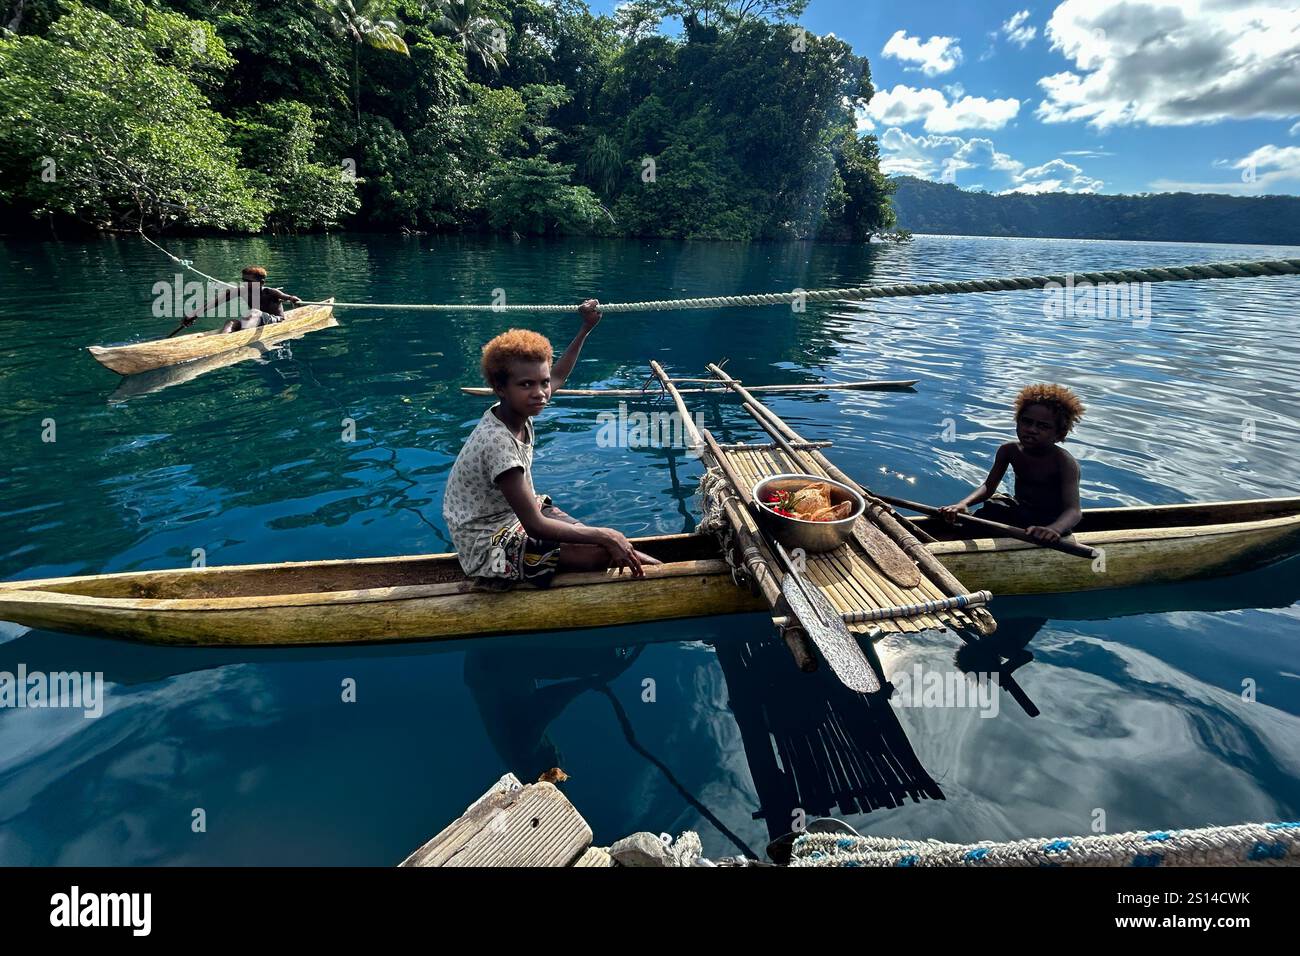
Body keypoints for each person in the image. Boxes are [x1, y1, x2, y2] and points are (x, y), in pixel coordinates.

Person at [442, 299, 663, 589]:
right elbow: (534, 525)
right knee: (599, 549)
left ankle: (654, 566)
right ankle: (657, 574)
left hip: (510, 516)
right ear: (500, 389)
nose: (540, 394)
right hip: (487, 543)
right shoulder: (498, 443)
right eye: (526, 385)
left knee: (586, 533)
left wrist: (585, 329)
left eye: (542, 383)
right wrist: (606, 535)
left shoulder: (519, 409)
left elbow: (558, 375)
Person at [939, 383, 1085, 544]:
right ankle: (956, 540)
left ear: (1059, 433)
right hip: (1021, 511)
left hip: (1050, 522)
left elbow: (1073, 511)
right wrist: (962, 504)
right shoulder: (1008, 450)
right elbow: (988, 487)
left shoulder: (1064, 462)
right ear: (1017, 421)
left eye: (1043, 426)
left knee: (1024, 525)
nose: (1031, 429)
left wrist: (1054, 529)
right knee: (993, 507)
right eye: (1026, 422)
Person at [181, 266, 302, 334]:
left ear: (261, 283)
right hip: (253, 321)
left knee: (253, 312)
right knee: (230, 322)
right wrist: (194, 314)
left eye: (249, 281)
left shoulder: (269, 292)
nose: (245, 284)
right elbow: (216, 302)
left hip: (276, 321)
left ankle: (241, 336)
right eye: (244, 280)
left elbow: (287, 297)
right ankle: (222, 341)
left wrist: (292, 299)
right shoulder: (241, 291)